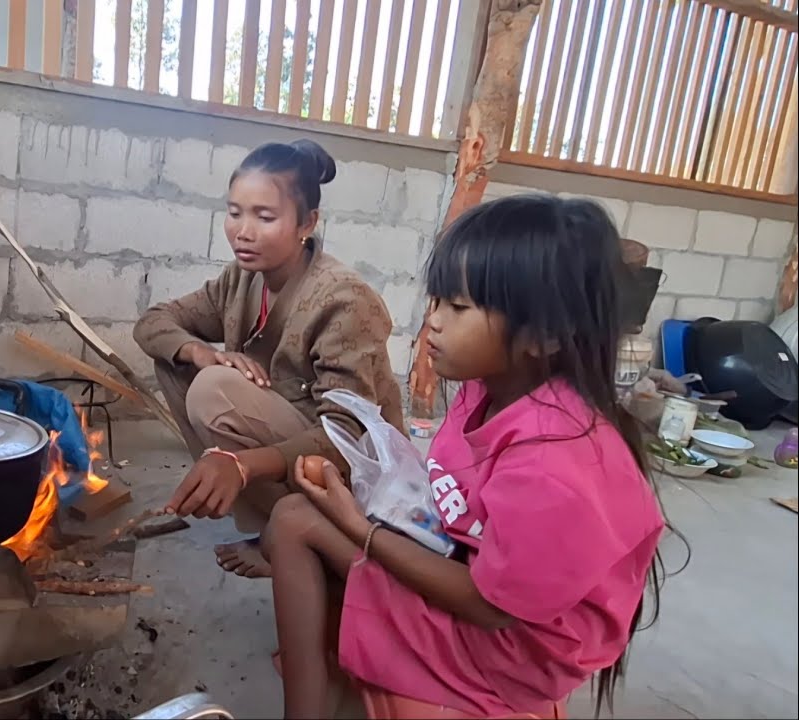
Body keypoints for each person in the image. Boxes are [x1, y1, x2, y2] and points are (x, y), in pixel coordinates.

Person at [264, 195, 667, 718]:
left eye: (458, 308)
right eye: (436, 301)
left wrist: (360, 528)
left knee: (298, 523)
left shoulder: (553, 464)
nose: (432, 322)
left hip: (511, 650)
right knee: (295, 517)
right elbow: (453, 506)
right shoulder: (487, 391)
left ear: (543, 334)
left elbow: (489, 607)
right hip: (473, 573)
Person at [133, 139, 405, 578]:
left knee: (213, 390)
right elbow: (154, 322)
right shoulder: (242, 278)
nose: (243, 230)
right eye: (234, 212)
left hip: (357, 469)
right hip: (288, 432)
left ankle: (304, 534)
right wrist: (199, 352)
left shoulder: (343, 299)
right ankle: (268, 520)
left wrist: (240, 464)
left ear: (307, 223)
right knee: (176, 359)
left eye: (264, 216)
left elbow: (347, 433)